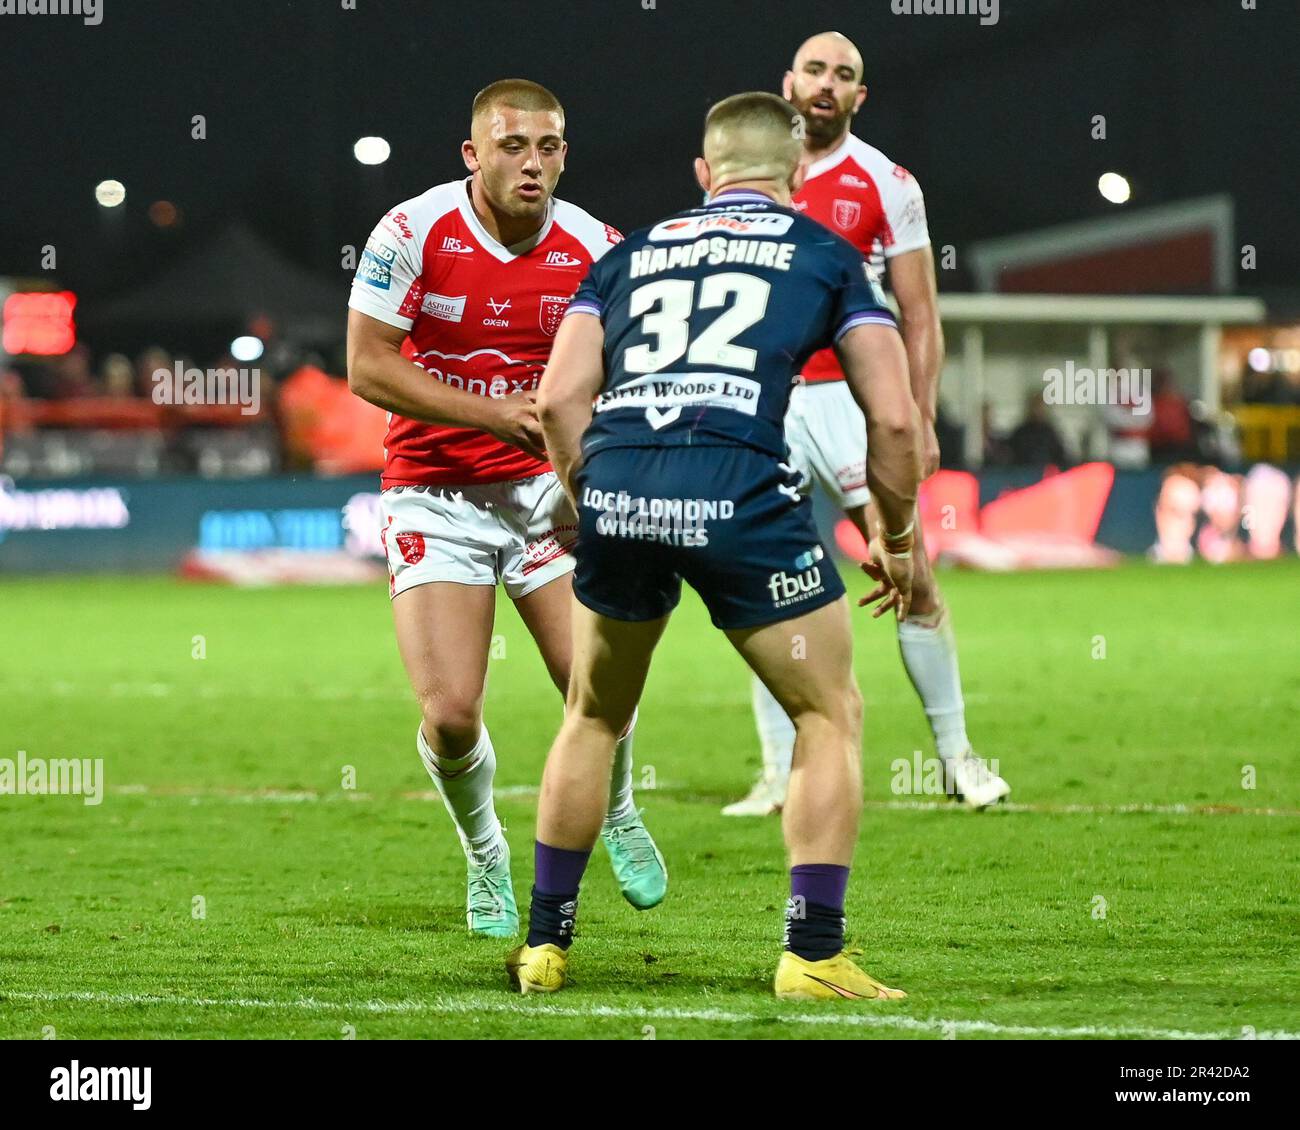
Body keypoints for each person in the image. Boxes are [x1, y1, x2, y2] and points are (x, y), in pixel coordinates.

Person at [507, 92, 920, 1000]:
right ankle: (813, 956)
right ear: (800, 174)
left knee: (593, 715)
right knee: (826, 711)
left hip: (620, 486)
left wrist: (589, 498)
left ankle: (545, 946)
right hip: (738, 493)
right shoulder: (825, 255)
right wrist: (897, 538)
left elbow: (559, 400)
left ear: (704, 175)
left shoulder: (626, 254)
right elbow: (893, 419)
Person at [346, 78, 667, 939]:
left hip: (543, 498)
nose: (533, 162)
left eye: (550, 146)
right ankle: (486, 852)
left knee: (600, 687)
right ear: (472, 153)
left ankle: (621, 809)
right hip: (434, 493)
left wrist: (590, 480)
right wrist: (498, 414)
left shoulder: (598, 245)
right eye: (512, 145)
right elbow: (368, 367)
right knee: (451, 714)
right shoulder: (412, 232)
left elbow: (629, 374)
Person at [723, 31, 1009, 816]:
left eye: (842, 75)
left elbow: (919, 312)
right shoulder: (748, 175)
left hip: (853, 401)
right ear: (789, 80)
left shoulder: (888, 182)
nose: (826, 83)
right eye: (814, 69)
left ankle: (957, 759)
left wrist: (916, 412)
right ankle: (778, 775)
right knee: (761, 582)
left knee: (910, 574)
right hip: (768, 404)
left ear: (858, 97)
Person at [1009, 395, 1069, 467]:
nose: (1037, 410)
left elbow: (1060, 457)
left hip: (1047, 474)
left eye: (1040, 406)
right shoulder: (1020, 433)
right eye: (1035, 406)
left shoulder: (1050, 433)